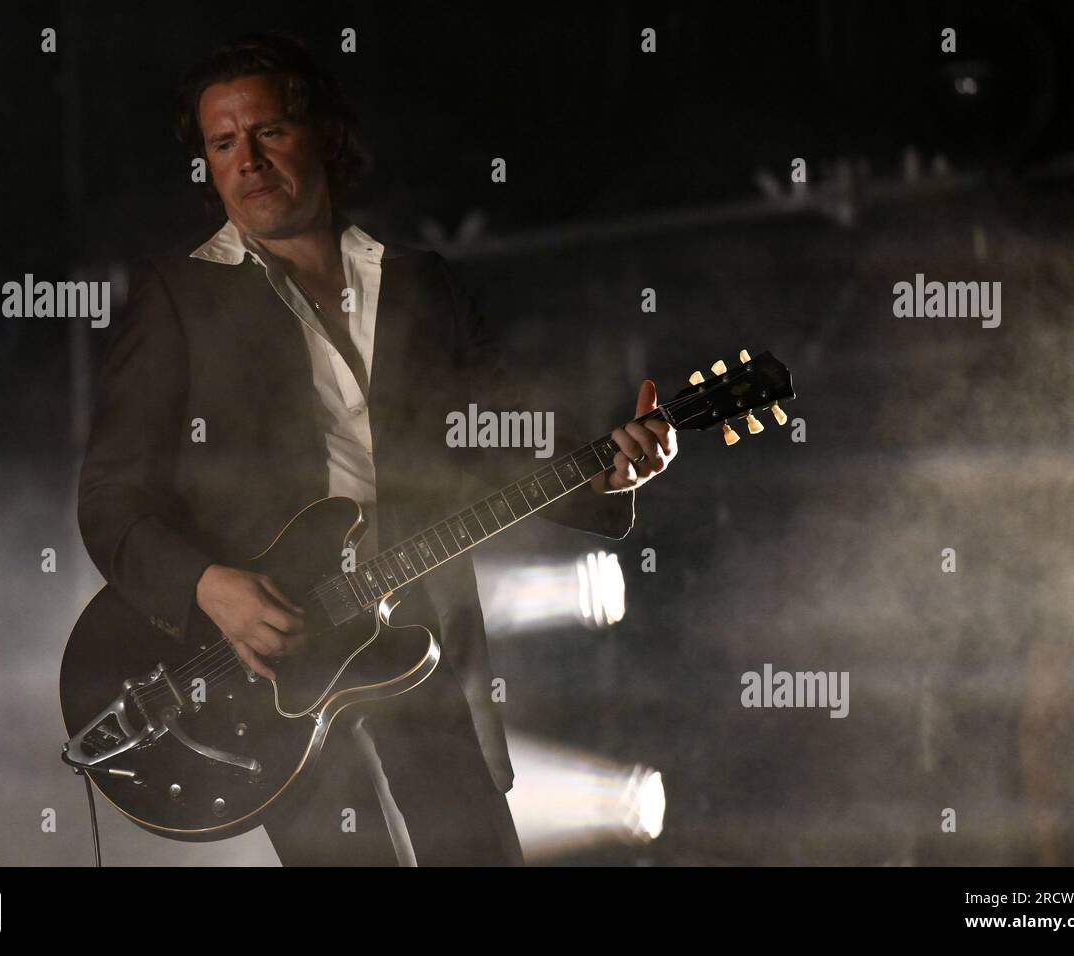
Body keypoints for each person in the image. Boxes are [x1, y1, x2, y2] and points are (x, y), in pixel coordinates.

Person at [77, 32, 678, 865]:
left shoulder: (421, 281)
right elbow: (111, 499)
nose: (248, 160)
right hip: (271, 665)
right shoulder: (178, 296)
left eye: (270, 131)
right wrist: (207, 587)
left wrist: (607, 472)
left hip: (418, 631)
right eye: (222, 143)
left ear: (327, 135)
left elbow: (495, 436)